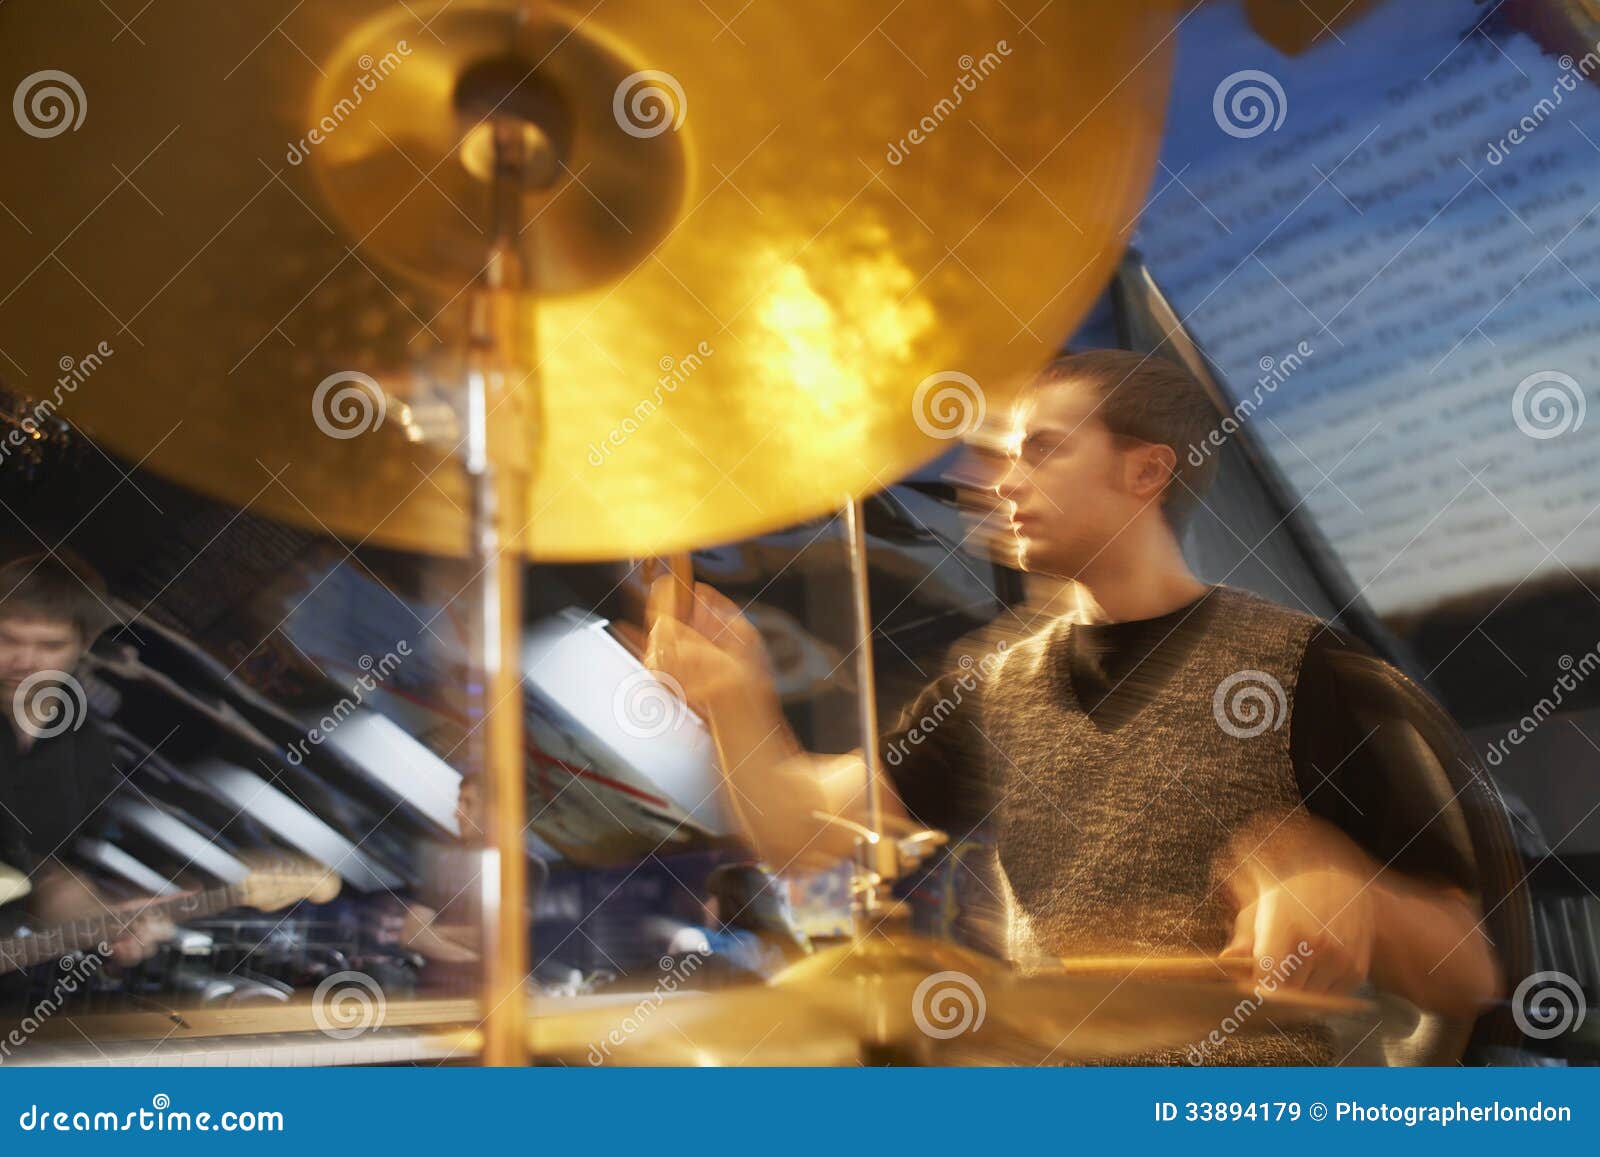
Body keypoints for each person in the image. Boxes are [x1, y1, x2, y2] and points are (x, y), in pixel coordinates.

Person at [642, 349, 1503, 1064]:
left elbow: (1471, 970)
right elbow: (808, 838)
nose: (1000, 485)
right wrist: (734, 700)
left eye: (1042, 451)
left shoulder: (1307, 668)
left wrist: (1361, 897)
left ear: (1146, 470)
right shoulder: (993, 686)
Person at [0, 551, 168, 964]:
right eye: (7, 639)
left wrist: (103, 921)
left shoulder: (93, 751)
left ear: (85, 644)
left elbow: (47, 879)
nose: (24, 661)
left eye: (50, 645)